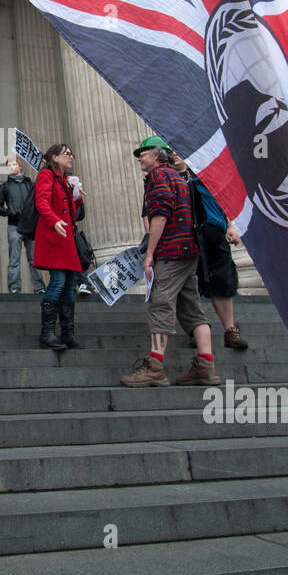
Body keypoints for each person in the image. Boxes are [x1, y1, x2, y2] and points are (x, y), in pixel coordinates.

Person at [120, 136, 217, 388]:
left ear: (157, 155)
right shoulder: (176, 177)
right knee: (192, 308)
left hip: (172, 250)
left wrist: (150, 254)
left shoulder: (159, 177)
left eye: (144, 153)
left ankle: (154, 367)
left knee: (161, 303)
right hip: (189, 250)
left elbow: (160, 216)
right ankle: (206, 365)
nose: (140, 157)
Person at [174, 156, 249, 351]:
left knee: (222, 280)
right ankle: (196, 329)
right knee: (191, 284)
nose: (175, 155)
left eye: (178, 152)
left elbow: (226, 200)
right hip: (186, 237)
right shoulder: (171, 179)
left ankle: (230, 329)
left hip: (214, 232)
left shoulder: (207, 173)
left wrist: (232, 225)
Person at [32, 143, 83, 351]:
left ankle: (67, 333)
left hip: (67, 239)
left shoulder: (64, 181)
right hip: (54, 238)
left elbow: (70, 210)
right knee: (58, 281)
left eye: (72, 153)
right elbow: (41, 202)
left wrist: (76, 196)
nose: (70, 157)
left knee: (69, 284)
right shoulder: (46, 176)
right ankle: (47, 333)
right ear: (54, 157)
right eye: (66, 154)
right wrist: (53, 220)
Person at [0, 156, 44, 293]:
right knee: (14, 258)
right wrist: (10, 212)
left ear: (20, 166)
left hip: (30, 225)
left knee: (34, 258)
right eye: (8, 165)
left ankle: (39, 287)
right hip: (14, 225)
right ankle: (14, 288)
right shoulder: (4, 187)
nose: (11, 167)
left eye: (14, 164)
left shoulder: (31, 185)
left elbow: (39, 203)